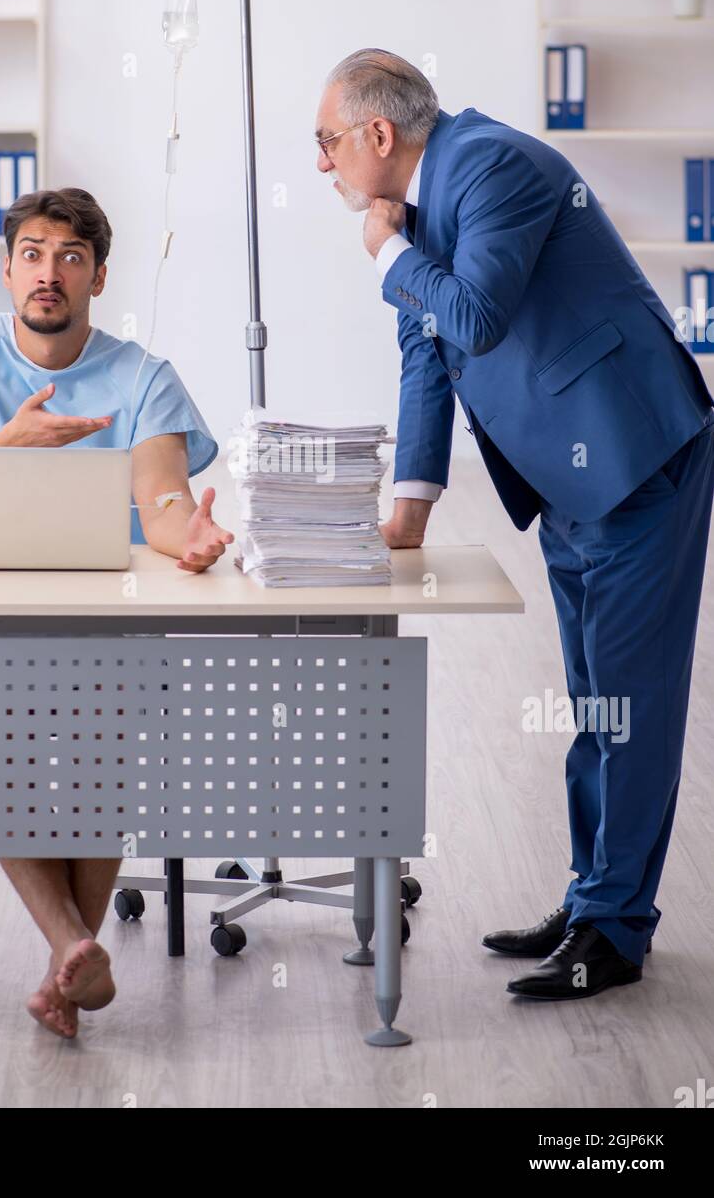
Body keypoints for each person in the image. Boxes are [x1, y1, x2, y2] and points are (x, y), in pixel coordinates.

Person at [315, 48, 714, 1001]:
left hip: (632, 454)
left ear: (379, 134)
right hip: (569, 472)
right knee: (594, 705)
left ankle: (614, 931)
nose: (321, 166)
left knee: (630, 704)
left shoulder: (491, 165)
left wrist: (385, 252)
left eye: (326, 142)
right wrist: (407, 511)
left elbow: (478, 316)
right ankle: (592, 902)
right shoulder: (425, 199)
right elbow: (428, 349)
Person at [0, 186, 234, 1037]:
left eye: (71, 258)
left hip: (97, 620)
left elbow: (158, 503)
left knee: (102, 745)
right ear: (7, 270)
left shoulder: (142, 377)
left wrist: (183, 538)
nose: (51, 274)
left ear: (99, 277)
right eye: (34, 256)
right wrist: (3, 449)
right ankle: (71, 942)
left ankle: (66, 961)